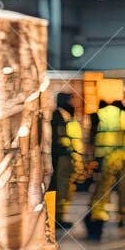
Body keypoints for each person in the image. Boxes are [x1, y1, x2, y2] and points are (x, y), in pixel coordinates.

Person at [85, 97, 125, 239]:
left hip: (105, 157)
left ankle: (97, 222)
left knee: (102, 191)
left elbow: (93, 138)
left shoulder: (98, 114)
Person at [50, 91, 83, 230]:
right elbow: (61, 138)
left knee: (65, 187)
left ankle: (60, 216)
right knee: (61, 187)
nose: (73, 103)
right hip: (62, 157)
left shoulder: (66, 115)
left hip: (67, 156)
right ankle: (57, 218)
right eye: (70, 100)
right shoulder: (59, 115)